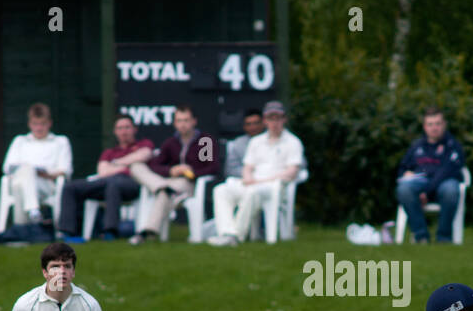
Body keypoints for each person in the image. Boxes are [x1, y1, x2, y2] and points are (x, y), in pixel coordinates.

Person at [208, 100, 303, 246]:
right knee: (221, 190)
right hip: (253, 184)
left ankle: (236, 236)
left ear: (284, 119)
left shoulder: (293, 142)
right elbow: (247, 167)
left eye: (278, 118)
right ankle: (226, 233)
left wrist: (263, 181)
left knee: (252, 192)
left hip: (275, 188)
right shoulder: (256, 142)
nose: (274, 122)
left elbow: (292, 171)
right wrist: (247, 178)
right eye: (271, 118)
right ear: (265, 120)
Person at [129, 105, 219, 244]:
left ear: (194, 121)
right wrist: (171, 171)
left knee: (165, 192)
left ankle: (147, 232)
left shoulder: (204, 141)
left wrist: (190, 172)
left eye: (186, 120)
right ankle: (161, 188)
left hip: (187, 183)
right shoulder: (171, 142)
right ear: (174, 123)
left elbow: (212, 168)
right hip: (166, 183)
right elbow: (154, 165)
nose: (182, 124)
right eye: (179, 120)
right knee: (137, 167)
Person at [57, 115, 155, 241]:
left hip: (132, 184)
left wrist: (115, 164)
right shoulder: (109, 152)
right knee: (71, 187)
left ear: (134, 129)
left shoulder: (144, 144)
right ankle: (68, 233)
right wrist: (127, 164)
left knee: (113, 183)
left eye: (127, 127)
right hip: (105, 183)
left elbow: (144, 155)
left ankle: (110, 231)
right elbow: (102, 172)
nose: (123, 131)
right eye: (120, 128)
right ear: (115, 131)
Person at [395, 108, 466, 243]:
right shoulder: (417, 147)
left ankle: (444, 238)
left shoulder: (453, 146)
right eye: (430, 124)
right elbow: (402, 169)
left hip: (443, 184)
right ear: (425, 126)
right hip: (420, 182)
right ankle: (421, 236)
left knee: (451, 189)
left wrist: (425, 192)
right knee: (404, 188)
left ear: (444, 124)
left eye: (438, 123)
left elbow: (447, 171)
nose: (434, 128)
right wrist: (406, 175)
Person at [1, 102, 73, 226]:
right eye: (35, 124)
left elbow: (65, 170)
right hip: (19, 182)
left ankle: (20, 230)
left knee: (21, 183)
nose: (39, 128)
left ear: (49, 123)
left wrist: (44, 174)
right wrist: (29, 170)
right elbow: (8, 168)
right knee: (23, 177)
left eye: (42, 124)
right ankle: (33, 211)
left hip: (46, 184)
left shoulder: (61, 141)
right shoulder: (20, 141)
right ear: (29, 124)